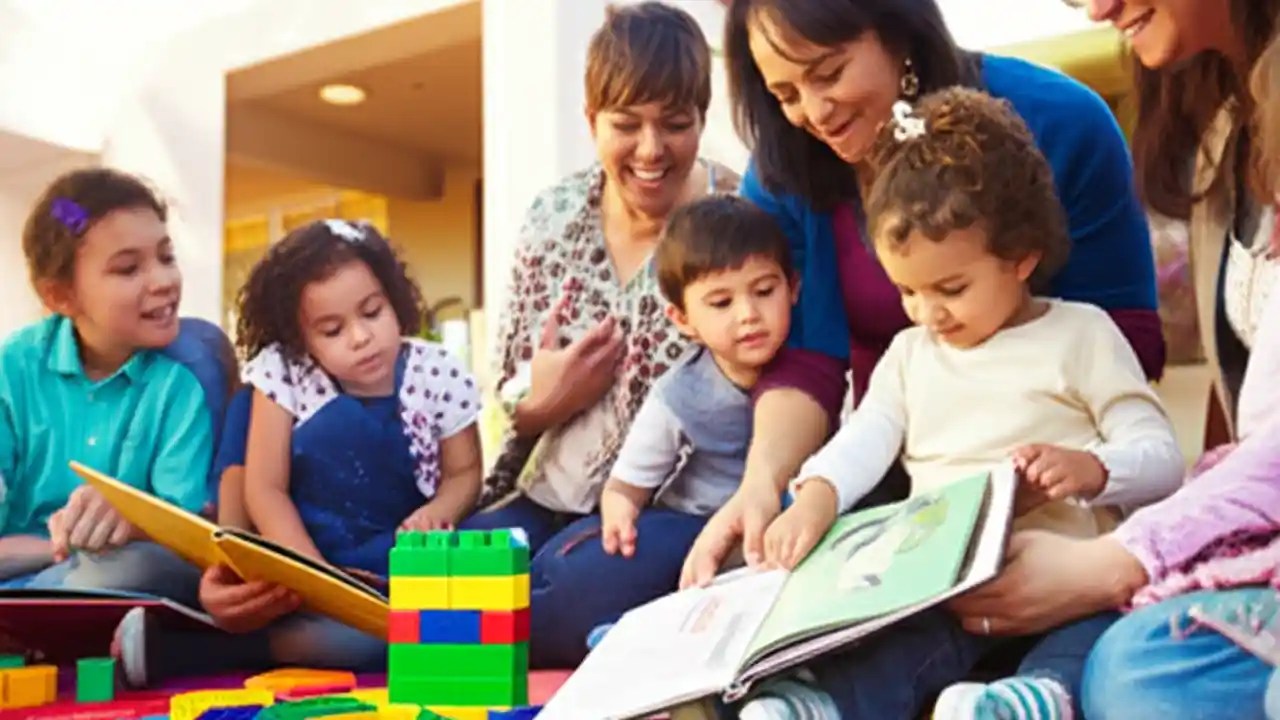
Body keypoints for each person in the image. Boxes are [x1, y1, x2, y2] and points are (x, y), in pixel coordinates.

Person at [682, 0, 1166, 592]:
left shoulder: (1063, 124)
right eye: (784, 94)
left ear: (897, 30)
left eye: (828, 74)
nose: (812, 112)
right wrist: (765, 481)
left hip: (1049, 484)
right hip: (907, 478)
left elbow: (1128, 349)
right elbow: (810, 365)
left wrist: (1043, 461)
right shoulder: (789, 169)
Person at [732, 87, 1183, 720]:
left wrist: (1096, 470)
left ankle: (1030, 701)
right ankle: (822, 708)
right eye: (908, 292)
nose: (928, 313)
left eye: (951, 288)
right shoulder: (913, 354)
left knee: (1094, 637)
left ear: (1022, 256)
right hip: (945, 590)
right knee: (890, 646)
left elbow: (1163, 458)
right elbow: (866, 437)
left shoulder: (1081, 334)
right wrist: (817, 494)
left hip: (1065, 582)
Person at [460, 1, 740, 668]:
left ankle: (427, 634)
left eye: (675, 124)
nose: (651, 150)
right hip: (545, 490)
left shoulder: (738, 220)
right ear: (592, 123)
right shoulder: (553, 216)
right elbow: (508, 391)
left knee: (556, 585)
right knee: (454, 565)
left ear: (702, 120)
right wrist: (545, 400)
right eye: (626, 125)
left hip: (665, 513)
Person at [112, 218, 484, 686]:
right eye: (332, 330)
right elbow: (265, 489)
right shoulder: (283, 376)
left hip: (403, 560)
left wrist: (438, 512)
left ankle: (204, 648)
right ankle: (188, 647)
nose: (361, 337)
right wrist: (317, 579)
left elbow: (466, 472)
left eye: (373, 312)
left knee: (409, 627)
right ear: (300, 339)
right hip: (304, 558)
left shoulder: (438, 373)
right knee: (352, 639)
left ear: (394, 298)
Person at [0, 167, 213, 604]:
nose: (163, 281)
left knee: (136, 566)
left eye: (166, 257)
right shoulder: (13, 370)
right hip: (27, 569)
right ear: (60, 297)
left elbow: (189, 536)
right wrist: (58, 551)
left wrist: (131, 518)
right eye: (129, 268)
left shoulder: (181, 386)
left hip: (116, 575)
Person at [601, 195, 794, 558]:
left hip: (790, 522)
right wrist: (621, 513)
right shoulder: (679, 395)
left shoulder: (815, 375)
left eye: (765, 291)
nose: (748, 314)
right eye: (722, 303)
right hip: (696, 527)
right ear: (683, 319)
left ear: (793, 288)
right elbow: (625, 486)